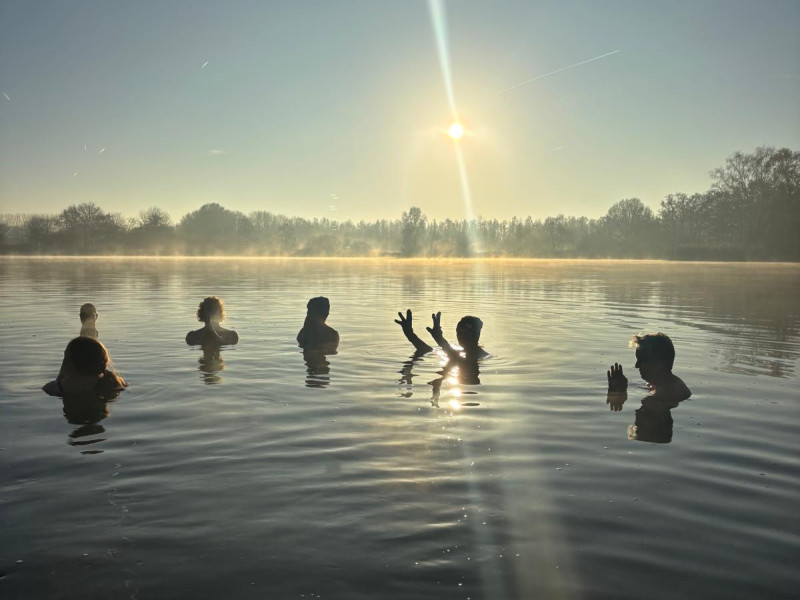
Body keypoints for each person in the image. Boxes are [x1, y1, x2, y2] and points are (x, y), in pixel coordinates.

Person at [606, 332, 691, 443]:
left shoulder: (660, 397)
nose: (636, 365)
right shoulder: (671, 384)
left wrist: (618, 393)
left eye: (641, 360)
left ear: (658, 363)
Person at [43, 336, 127, 398]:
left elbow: (56, 383)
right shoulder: (114, 383)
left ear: (68, 363)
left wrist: (61, 374)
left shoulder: (55, 388)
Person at [395, 309, 489, 361]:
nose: (460, 337)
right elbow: (429, 350)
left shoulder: (479, 356)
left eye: (465, 333)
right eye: (458, 332)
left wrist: (440, 339)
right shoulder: (463, 352)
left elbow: (457, 359)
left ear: (476, 335)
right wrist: (410, 335)